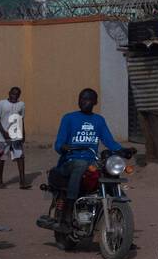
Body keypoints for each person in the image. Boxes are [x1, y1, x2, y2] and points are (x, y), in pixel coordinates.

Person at [45, 88, 132, 218]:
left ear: (95, 102)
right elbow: (58, 143)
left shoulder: (99, 120)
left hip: (91, 161)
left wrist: (123, 150)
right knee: (80, 164)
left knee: (108, 170)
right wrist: (63, 147)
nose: (84, 102)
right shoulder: (69, 118)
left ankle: (116, 207)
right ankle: (70, 205)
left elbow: (109, 142)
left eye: (88, 99)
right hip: (70, 162)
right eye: (82, 99)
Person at [0, 86, 29, 189]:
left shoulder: (21, 105)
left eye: (17, 95)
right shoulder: (1, 103)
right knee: (1, 158)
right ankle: (0, 182)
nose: (14, 96)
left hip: (16, 136)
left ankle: (22, 182)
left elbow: (21, 120)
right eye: (13, 94)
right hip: (2, 137)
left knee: (20, 157)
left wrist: (23, 133)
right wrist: (3, 132)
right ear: (9, 93)